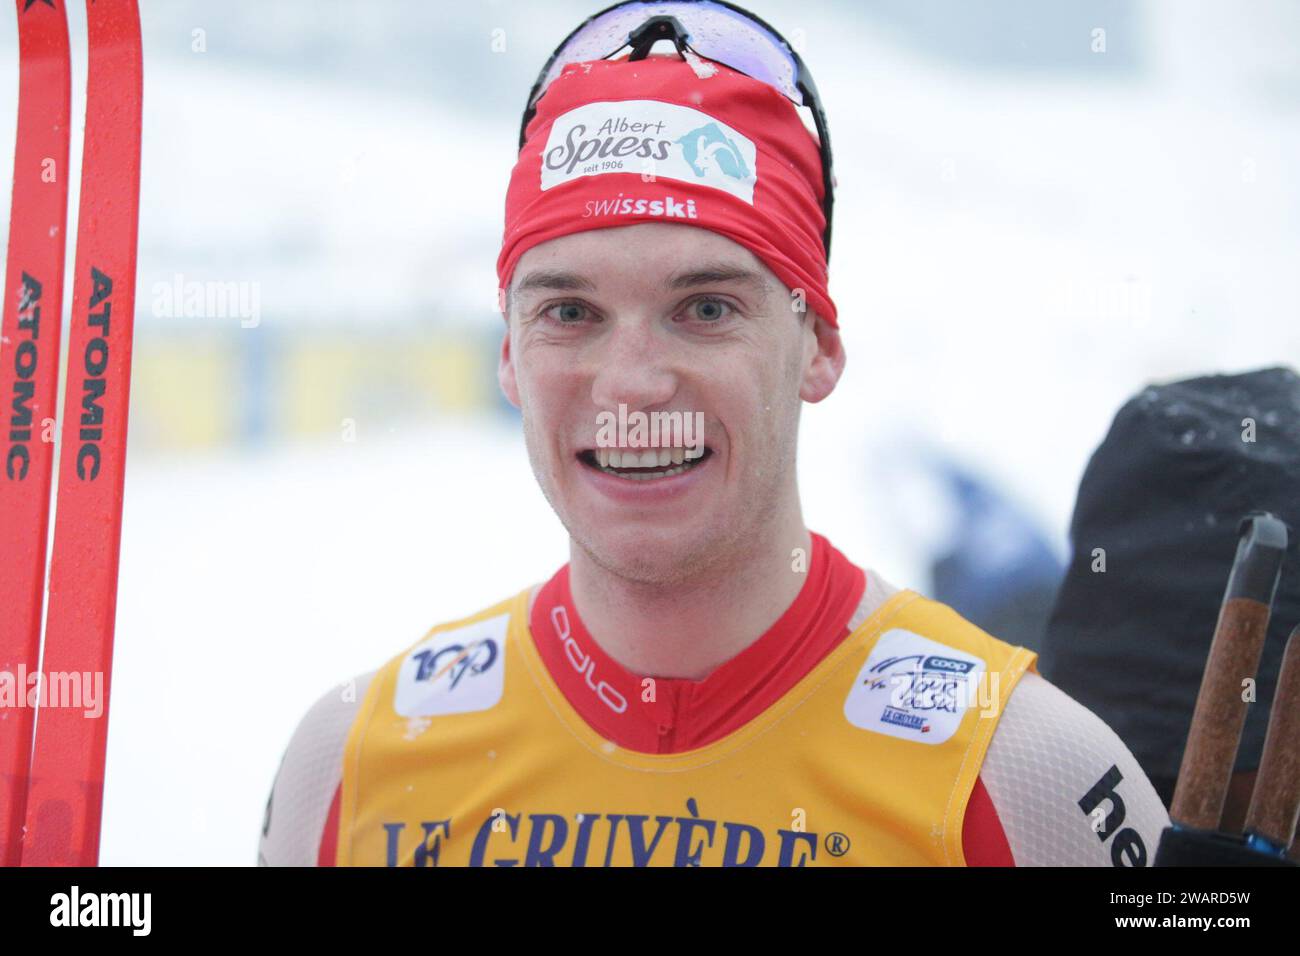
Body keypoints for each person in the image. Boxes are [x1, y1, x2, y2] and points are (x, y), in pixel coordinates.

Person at [259, 0, 1167, 866]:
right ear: (509, 359)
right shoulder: (355, 762)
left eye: (704, 307)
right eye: (571, 312)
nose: (633, 384)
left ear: (817, 346)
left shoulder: (1020, 773)